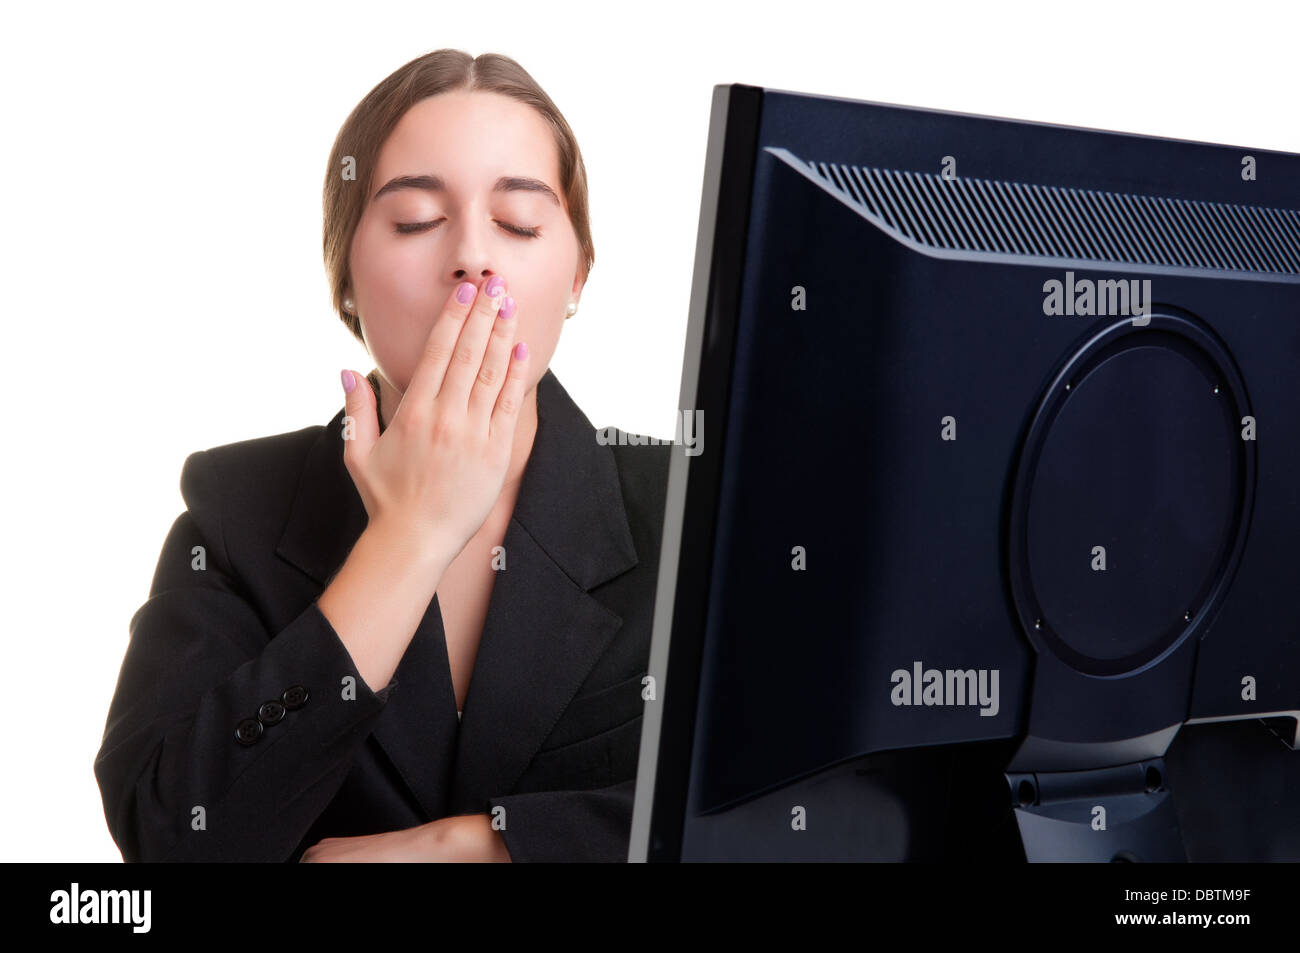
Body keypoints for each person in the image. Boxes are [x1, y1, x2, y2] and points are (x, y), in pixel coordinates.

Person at [94, 49, 670, 863]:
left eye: (519, 222)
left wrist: (474, 851)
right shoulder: (235, 511)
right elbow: (169, 835)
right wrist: (407, 541)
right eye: (415, 221)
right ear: (346, 284)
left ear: (578, 272)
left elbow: (822, 809)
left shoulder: (699, 503)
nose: (474, 257)